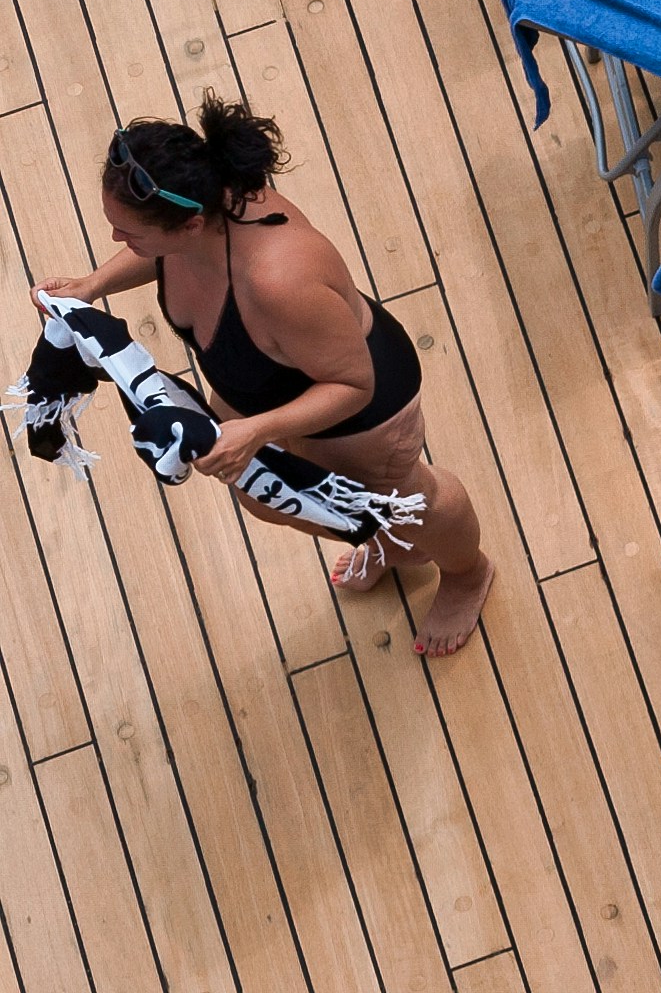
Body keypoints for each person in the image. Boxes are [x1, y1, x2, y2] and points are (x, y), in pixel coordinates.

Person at [44, 97, 496, 655]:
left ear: (191, 224)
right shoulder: (201, 215)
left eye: (126, 232)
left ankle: (466, 572)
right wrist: (91, 286)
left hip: (358, 411)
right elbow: (159, 249)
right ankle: (395, 543)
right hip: (262, 381)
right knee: (263, 498)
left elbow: (354, 385)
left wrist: (256, 431)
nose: (118, 242)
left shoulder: (280, 281)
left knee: (413, 503)